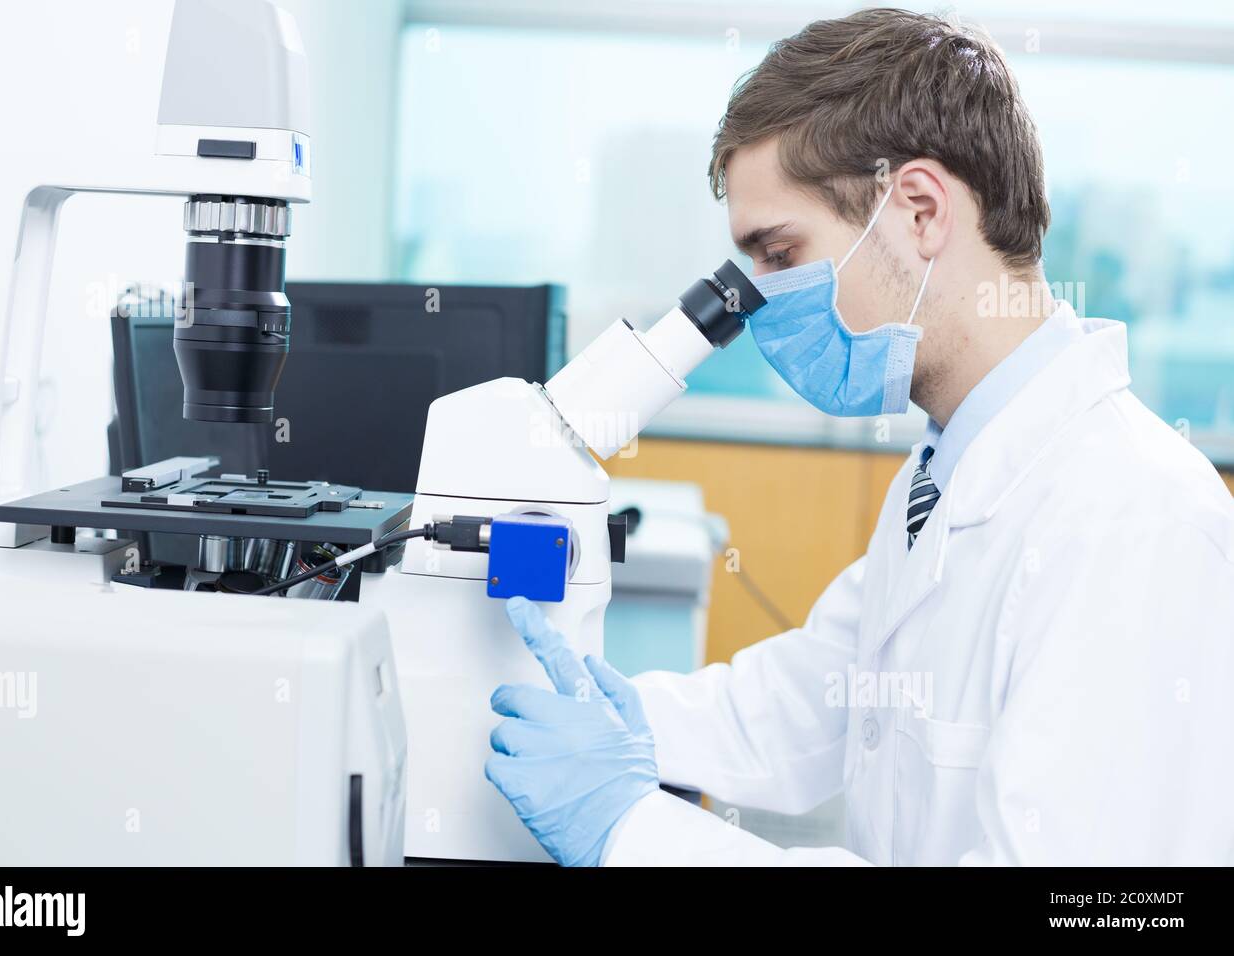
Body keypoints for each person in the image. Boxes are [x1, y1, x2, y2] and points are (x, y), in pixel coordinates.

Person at [484, 8, 1234, 866]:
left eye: (779, 251)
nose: (757, 298)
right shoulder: (945, 467)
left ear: (918, 211)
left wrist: (631, 827)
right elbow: (818, 697)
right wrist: (614, 722)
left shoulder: (1135, 522)